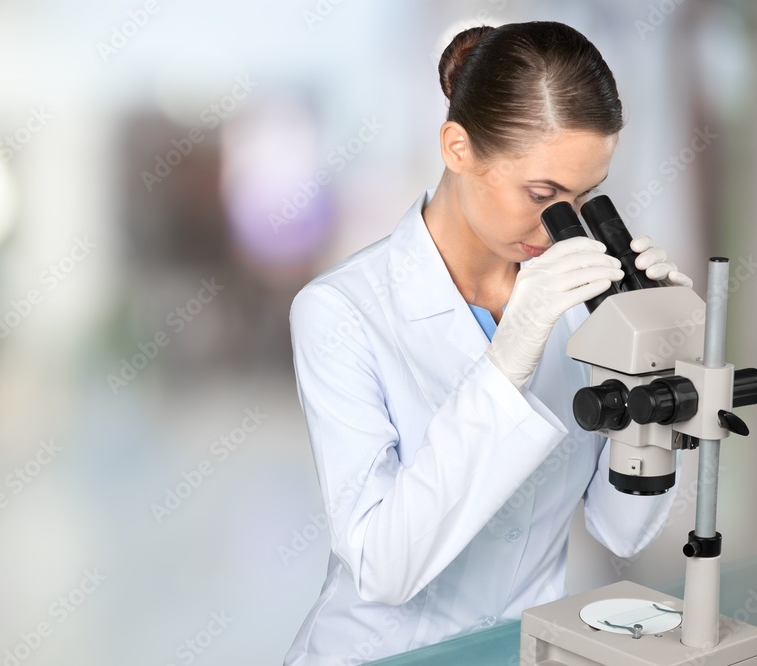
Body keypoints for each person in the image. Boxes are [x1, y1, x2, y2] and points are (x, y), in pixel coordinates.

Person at [283, 21, 692, 665]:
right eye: (542, 194)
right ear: (458, 147)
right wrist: (506, 362)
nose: (561, 222)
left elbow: (624, 529)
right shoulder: (341, 312)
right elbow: (384, 567)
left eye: (584, 197)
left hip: (519, 651)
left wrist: (654, 369)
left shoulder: (582, 307)